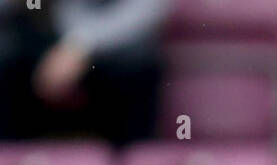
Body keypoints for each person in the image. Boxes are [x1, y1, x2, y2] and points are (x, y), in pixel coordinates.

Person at [0, 0, 166, 146]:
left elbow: (149, 9)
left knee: (136, 68)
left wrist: (79, 44)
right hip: (37, 50)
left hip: (114, 59)